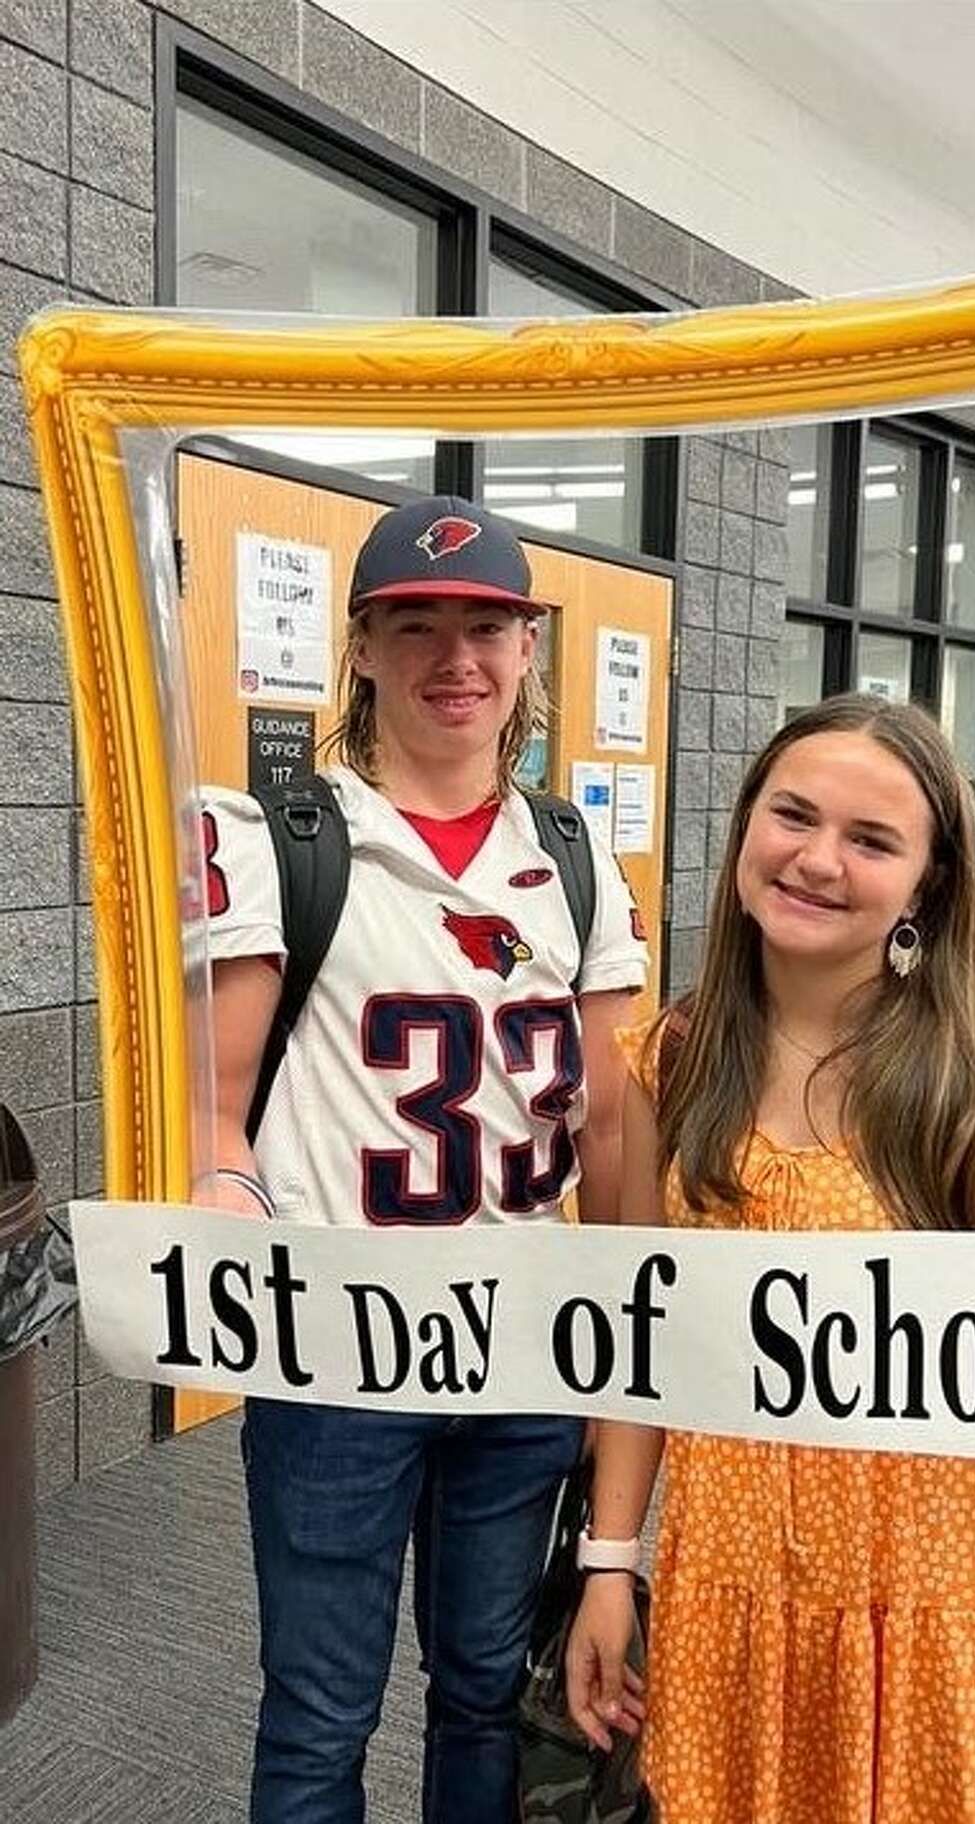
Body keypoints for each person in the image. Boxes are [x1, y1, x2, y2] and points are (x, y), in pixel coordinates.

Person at [565, 694, 975, 1824]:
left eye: (872, 840)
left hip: (947, 1583)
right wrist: (608, 1560)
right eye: (794, 816)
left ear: (929, 883)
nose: (817, 861)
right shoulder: (673, 1061)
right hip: (739, 1571)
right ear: (746, 826)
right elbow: (640, 1348)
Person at [199, 494, 648, 1824]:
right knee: (319, 1715)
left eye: (485, 628)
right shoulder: (277, 839)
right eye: (416, 626)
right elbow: (218, 1110)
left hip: (524, 1346)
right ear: (361, 647)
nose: (455, 658)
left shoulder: (574, 856)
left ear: (528, 651)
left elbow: (615, 1128)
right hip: (341, 1351)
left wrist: (633, 1336)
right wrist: (223, 1198)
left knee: (487, 1697)